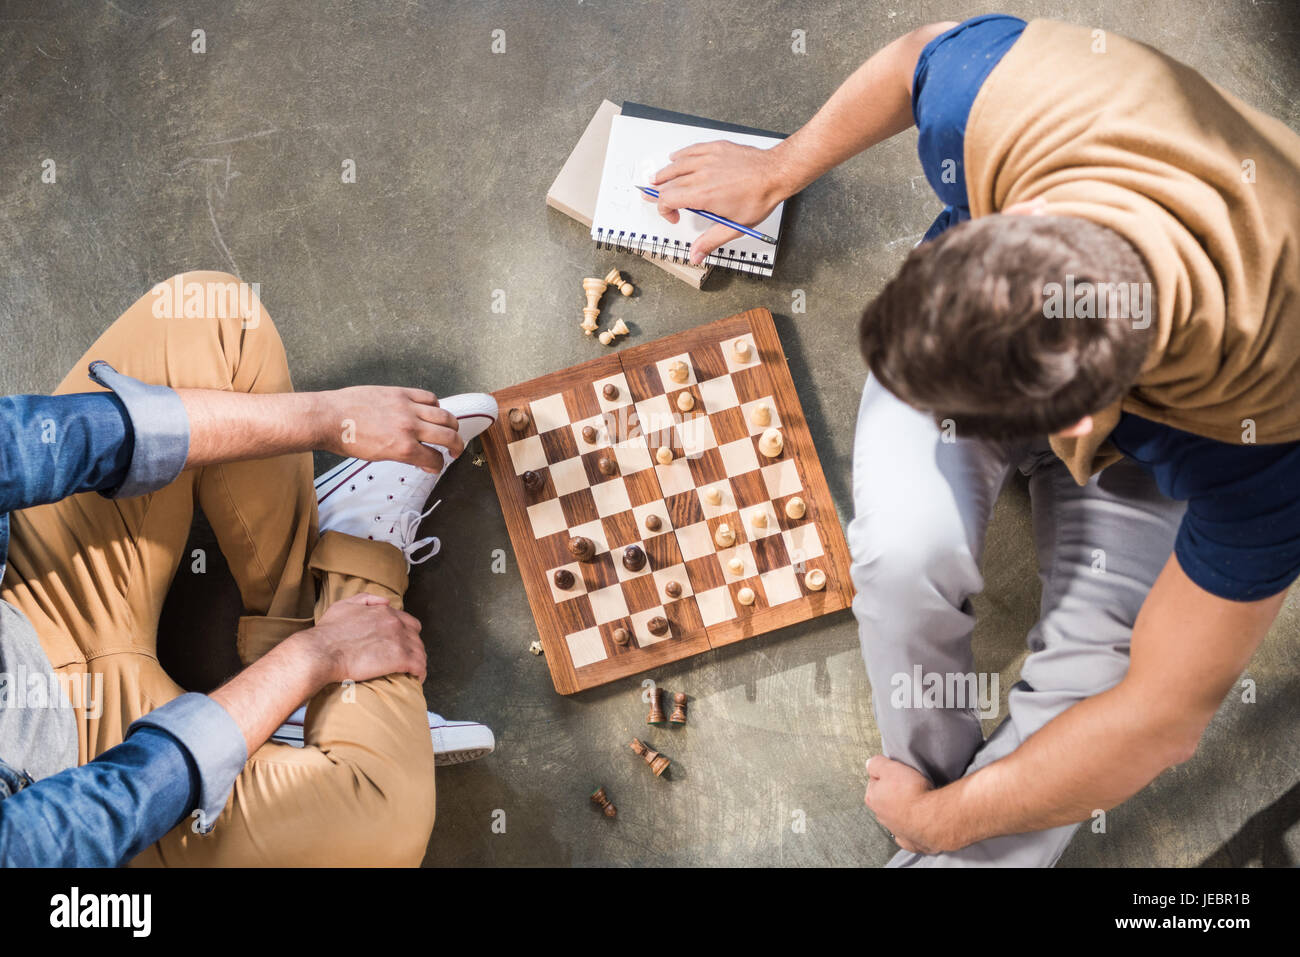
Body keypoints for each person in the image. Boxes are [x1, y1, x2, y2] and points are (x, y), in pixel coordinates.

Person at [649, 15, 1300, 865]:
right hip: (1078, 330)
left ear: (1071, 426)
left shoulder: (1267, 449)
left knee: (1091, 681)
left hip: (1163, 459)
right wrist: (779, 167)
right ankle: (941, 806)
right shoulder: (1014, 97)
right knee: (900, 557)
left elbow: (1159, 719)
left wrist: (943, 827)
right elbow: (915, 56)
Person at [0, 271, 497, 866]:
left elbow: (26, 446)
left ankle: (301, 646)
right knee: (384, 823)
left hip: (27, 588)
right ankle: (351, 574)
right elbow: (81, 824)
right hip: (75, 776)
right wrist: (317, 657)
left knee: (212, 319)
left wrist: (327, 418)